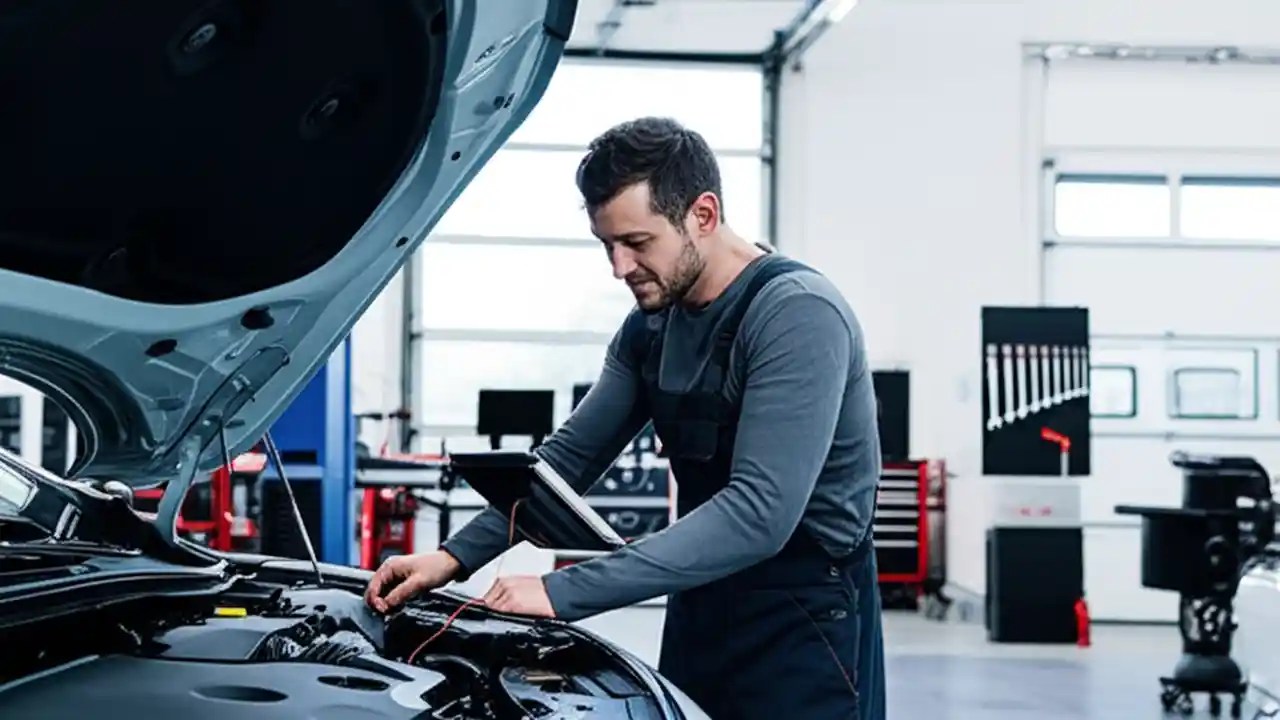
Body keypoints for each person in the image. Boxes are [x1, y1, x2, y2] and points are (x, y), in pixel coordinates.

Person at [365, 116, 886, 719]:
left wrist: (561, 591)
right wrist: (452, 558)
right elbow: (566, 462)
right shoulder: (650, 327)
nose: (619, 267)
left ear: (704, 215)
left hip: (806, 620)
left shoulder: (797, 317)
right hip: (701, 603)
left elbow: (758, 513)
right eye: (606, 244)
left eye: (637, 242)